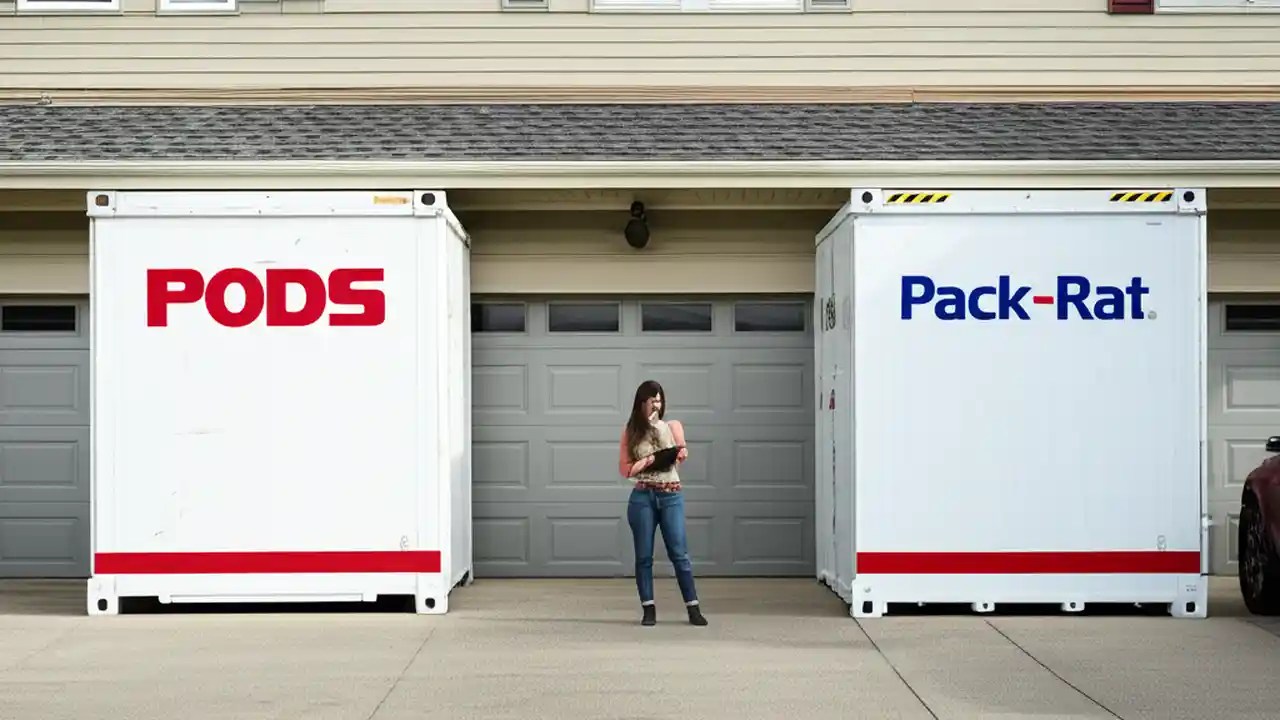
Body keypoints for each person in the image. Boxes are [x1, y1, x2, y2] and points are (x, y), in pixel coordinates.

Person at [618, 380, 708, 627]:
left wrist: (676, 453)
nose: (656, 405)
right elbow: (625, 470)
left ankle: (693, 608)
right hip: (642, 497)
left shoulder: (672, 426)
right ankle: (648, 609)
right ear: (641, 404)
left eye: (659, 400)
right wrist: (649, 461)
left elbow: (681, 453)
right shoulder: (631, 432)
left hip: (670, 495)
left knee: (680, 554)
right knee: (644, 556)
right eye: (651, 401)